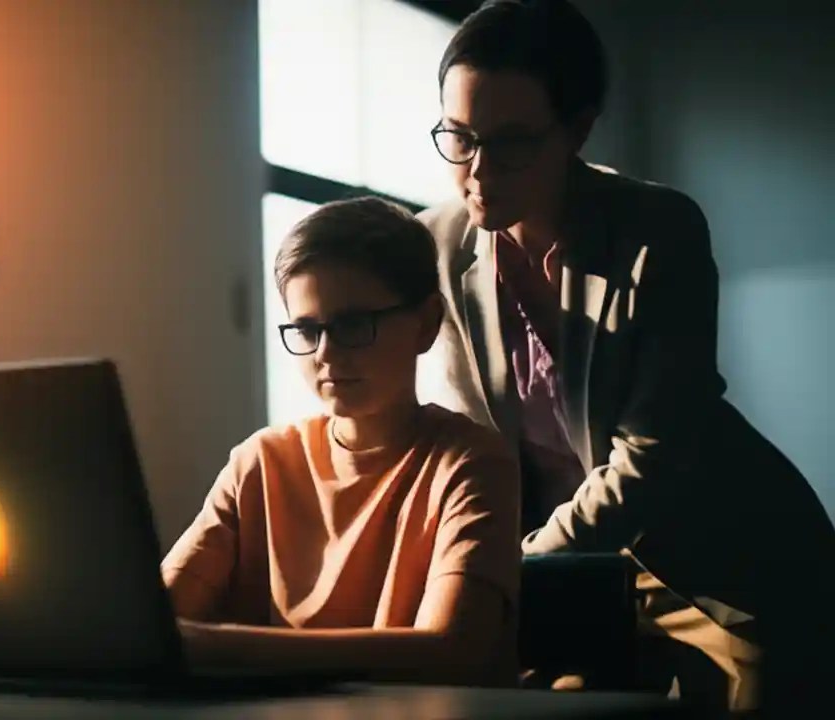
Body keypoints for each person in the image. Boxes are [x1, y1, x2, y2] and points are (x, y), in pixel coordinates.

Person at [415, 0, 835, 713]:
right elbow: (478, 445)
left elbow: (652, 455)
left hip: (725, 561)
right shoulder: (440, 242)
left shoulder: (657, 229)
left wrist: (512, 571)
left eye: (511, 143)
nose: (477, 172)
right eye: (459, 137)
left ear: (577, 130)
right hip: (574, 571)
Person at [162, 197, 521, 686]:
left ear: (426, 323)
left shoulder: (470, 463)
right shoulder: (260, 463)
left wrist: (227, 646)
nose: (326, 354)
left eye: (353, 325)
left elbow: (453, 648)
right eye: (307, 330)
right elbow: (156, 624)